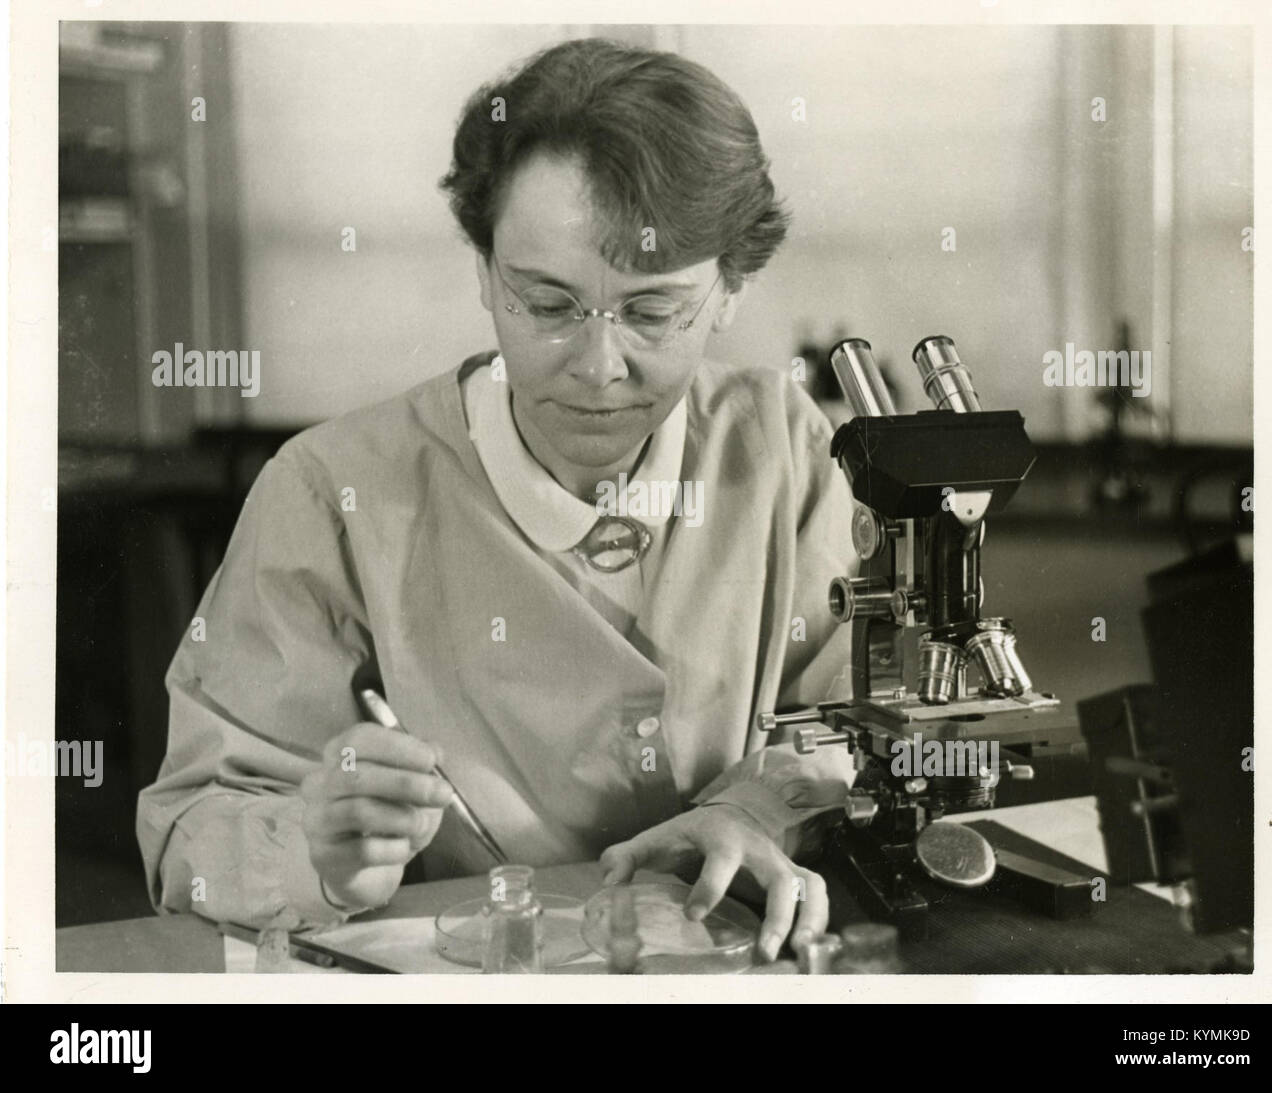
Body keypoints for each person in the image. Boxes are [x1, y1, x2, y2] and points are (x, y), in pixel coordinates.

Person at [137, 36, 858, 964]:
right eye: (548, 305)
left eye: (651, 312)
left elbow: (858, 724)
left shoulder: (784, 448)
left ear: (729, 290)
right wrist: (310, 852)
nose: (599, 369)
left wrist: (754, 807)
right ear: (482, 269)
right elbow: (187, 829)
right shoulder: (329, 494)